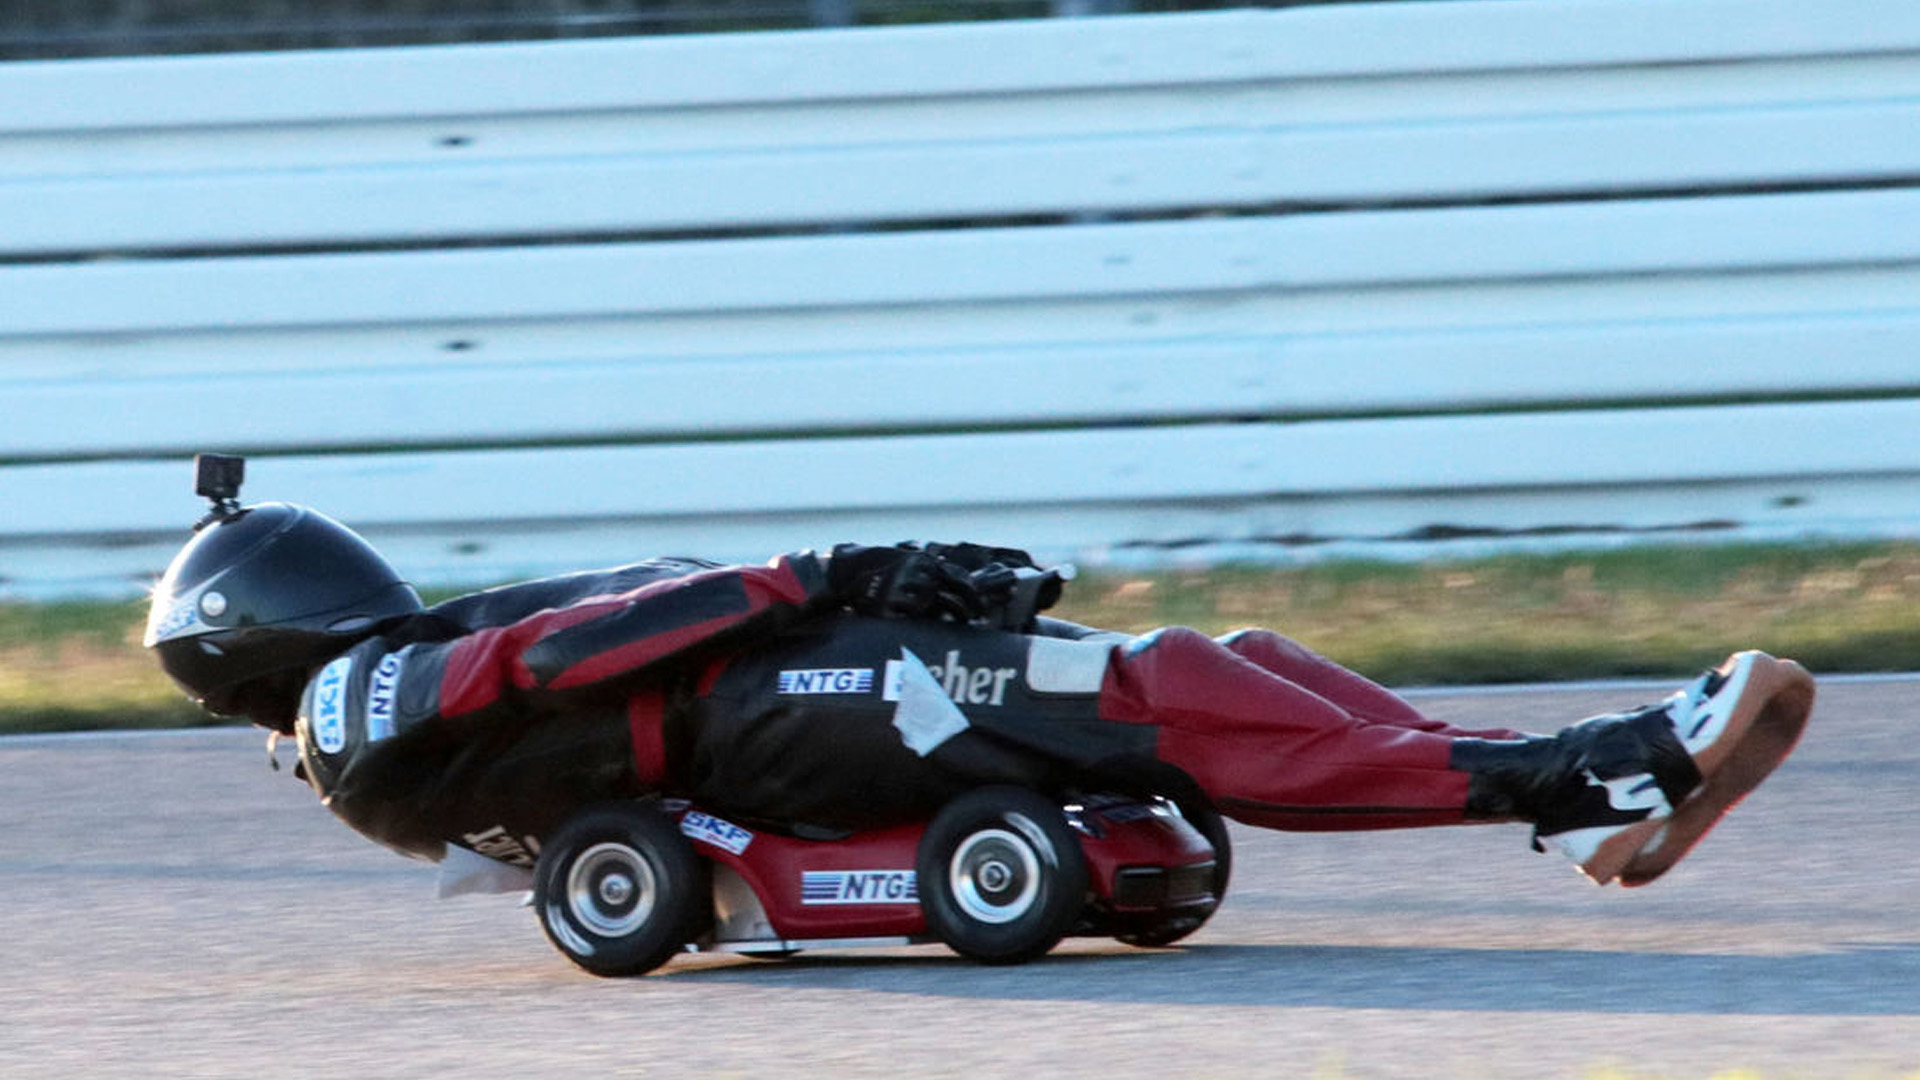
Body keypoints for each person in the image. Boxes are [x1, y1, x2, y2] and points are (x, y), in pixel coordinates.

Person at [144, 460, 1814, 893]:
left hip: (771, 684)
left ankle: (1571, 780)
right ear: (258, 625)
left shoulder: (369, 682)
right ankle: (1609, 766)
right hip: (749, 730)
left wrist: (872, 574)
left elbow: (613, 616)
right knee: (1147, 695)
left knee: (1228, 660)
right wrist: (827, 579)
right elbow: (564, 653)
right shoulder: (347, 707)